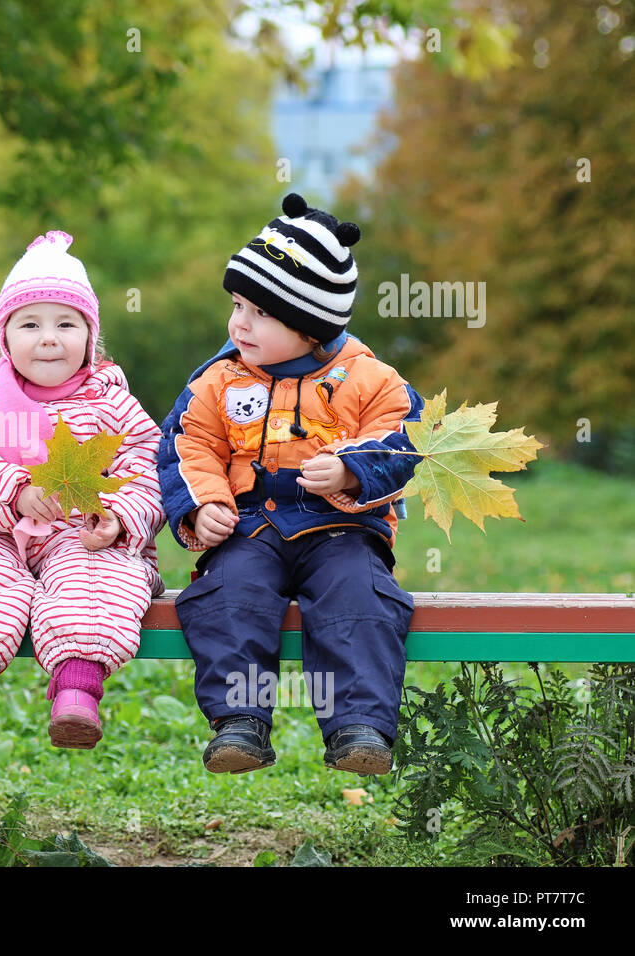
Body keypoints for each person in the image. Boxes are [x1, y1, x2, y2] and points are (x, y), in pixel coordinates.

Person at [157, 193, 424, 775]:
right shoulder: (219, 380)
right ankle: (239, 721)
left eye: (260, 312)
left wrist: (353, 467)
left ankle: (360, 726)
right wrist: (203, 505)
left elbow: (404, 437)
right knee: (230, 590)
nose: (239, 323)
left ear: (309, 328)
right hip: (252, 526)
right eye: (236, 305)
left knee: (358, 596)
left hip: (343, 527)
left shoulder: (368, 378)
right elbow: (187, 444)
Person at [0, 230, 165, 749]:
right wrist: (13, 492)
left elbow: (148, 464)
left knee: (96, 576)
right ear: (5, 339)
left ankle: (77, 691)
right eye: (30, 324)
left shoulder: (111, 403)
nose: (49, 338)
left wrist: (117, 516)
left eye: (67, 324)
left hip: (81, 532)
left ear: (90, 338)